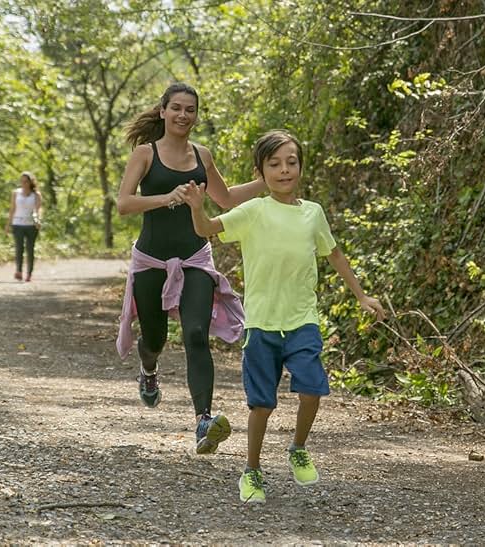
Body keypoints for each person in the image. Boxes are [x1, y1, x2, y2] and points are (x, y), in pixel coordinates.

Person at [182, 129, 386, 503]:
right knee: (262, 404)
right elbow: (208, 230)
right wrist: (197, 207)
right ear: (261, 172)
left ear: (301, 168)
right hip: (261, 324)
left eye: (291, 162)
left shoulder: (313, 214)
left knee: (312, 388)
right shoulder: (254, 210)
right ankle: (252, 470)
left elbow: (335, 255)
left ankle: (298, 447)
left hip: (302, 320)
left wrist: (362, 296)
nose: (284, 170)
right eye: (274, 164)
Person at [115, 82, 267, 455]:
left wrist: (267, 182)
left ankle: (204, 420)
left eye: (191, 110)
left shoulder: (203, 154)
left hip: (196, 258)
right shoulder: (144, 155)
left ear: (196, 115)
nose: (184, 115)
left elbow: (225, 198)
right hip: (151, 261)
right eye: (177, 108)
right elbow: (123, 204)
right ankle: (148, 371)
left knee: (196, 334)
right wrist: (167, 197)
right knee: (155, 340)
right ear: (163, 111)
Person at [6, 171, 42, 282]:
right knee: (19, 248)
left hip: (31, 225)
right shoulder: (16, 193)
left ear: (30, 182)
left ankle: (29, 273)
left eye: (26, 182)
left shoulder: (36, 195)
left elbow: (38, 209)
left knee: (30, 249)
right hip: (18, 224)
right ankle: (19, 271)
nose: (23, 184)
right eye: (22, 181)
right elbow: (12, 209)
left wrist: (37, 219)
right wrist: (8, 224)